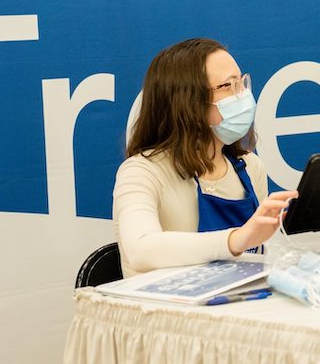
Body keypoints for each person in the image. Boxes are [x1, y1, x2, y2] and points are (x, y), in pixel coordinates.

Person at [113, 38, 297, 276]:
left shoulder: (251, 167)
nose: (242, 95)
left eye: (241, 83)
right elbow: (140, 250)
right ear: (187, 102)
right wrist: (236, 240)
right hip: (170, 310)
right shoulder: (141, 172)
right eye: (228, 86)